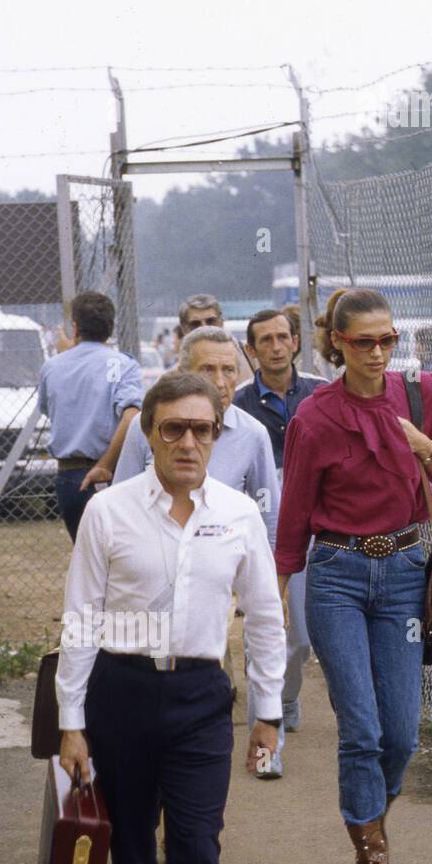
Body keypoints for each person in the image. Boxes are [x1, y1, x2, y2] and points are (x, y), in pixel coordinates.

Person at [57, 371, 286, 864]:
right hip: (120, 694)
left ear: (219, 435)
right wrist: (72, 721)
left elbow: (266, 616)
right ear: (149, 435)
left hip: (199, 701)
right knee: (129, 846)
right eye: (173, 429)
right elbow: (82, 619)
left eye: (202, 430)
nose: (188, 441)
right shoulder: (110, 512)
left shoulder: (238, 514)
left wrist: (268, 711)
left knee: (194, 849)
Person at [275, 288, 432, 864]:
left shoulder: (423, 394)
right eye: (365, 342)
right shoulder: (314, 417)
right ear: (337, 343)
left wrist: (421, 444)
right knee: (361, 727)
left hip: (408, 574)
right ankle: (373, 860)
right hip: (337, 577)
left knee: (403, 733)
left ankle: (368, 817)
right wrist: (277, 596)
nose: (380, 352)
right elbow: (295, 512)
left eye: (389, 339)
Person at [113, 327, 284, 775]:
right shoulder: (146, 432)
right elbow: (119, 503)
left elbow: (267, 517)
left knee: (211, 682)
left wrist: (264, 583)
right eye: (207, 369)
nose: (221, 380)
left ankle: (251, 759)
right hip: (149, 584)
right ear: (182, 372)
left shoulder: (252, 436)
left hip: (214, 584)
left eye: (229, 369)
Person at [235, 308, 325, 759]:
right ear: (250, 350)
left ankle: (285, 696)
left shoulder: (321, 394)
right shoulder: (238, 404)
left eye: (282, 337)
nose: (275, 346)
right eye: (264, 340)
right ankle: (265, 733)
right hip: (261, 528)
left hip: (314, 525)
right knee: (268, 628)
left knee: (303, 638)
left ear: (295, 342)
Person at [37, 292, 143, 540]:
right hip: (113, 471)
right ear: (110, 327)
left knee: (86, 556)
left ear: (74, 328)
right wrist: (106, 464)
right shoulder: (122, 365)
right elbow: (131, 415)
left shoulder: (52, 366)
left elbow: (46, 408)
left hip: (69, 474)